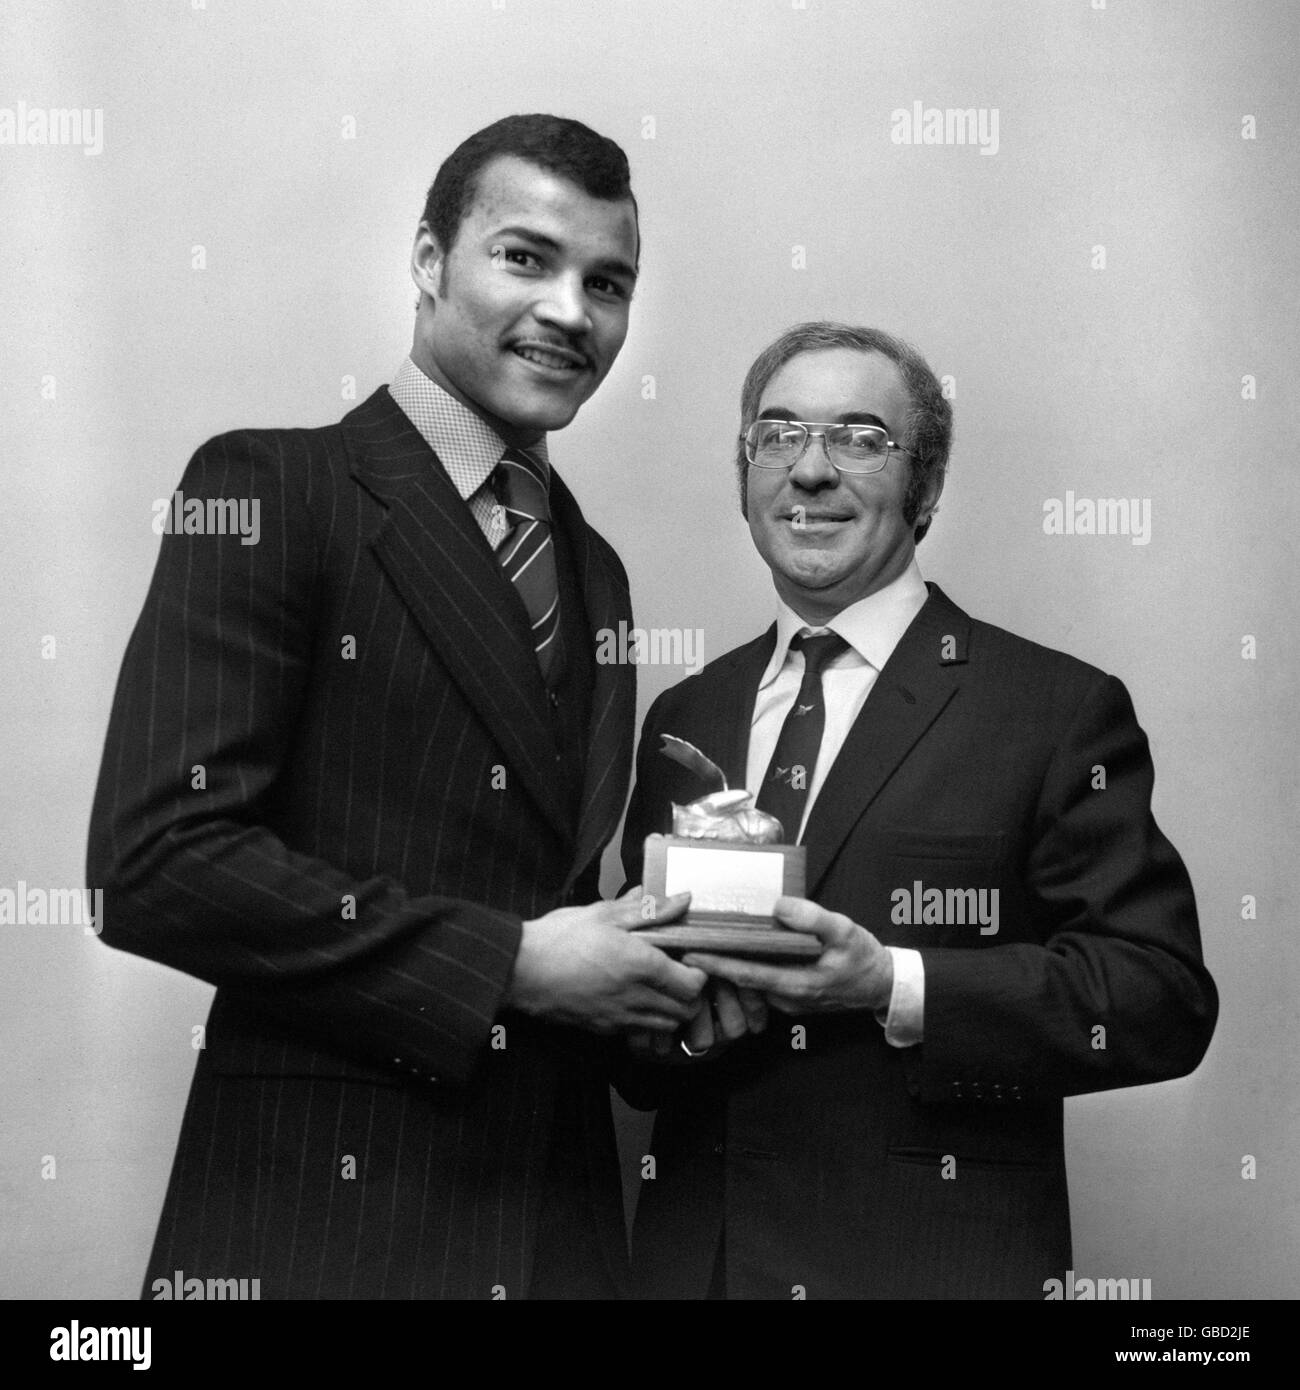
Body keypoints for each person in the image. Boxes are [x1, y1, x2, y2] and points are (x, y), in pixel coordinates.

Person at [86, 113, 704, 1301]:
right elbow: (154, 862)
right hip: (325, 1222)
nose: (573, 313)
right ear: (427, 261)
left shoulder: (598, 569)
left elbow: (553, 894)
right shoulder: (272, 486)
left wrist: (659, 992)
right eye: (525, 258)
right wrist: (512, 962)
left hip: (559, 1225)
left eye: (608, 283)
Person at [619, 321, 1218, 1300]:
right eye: (776, 435)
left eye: (858, 437)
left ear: (926, 486)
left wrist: (890, 984)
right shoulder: (685, 717)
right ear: (744, 477)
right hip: (701, 1272)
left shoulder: (1053, 710)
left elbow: (1158, 1000)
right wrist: (682, 1027)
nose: (808, 471)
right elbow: (635, 1056)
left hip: (928, 1271)